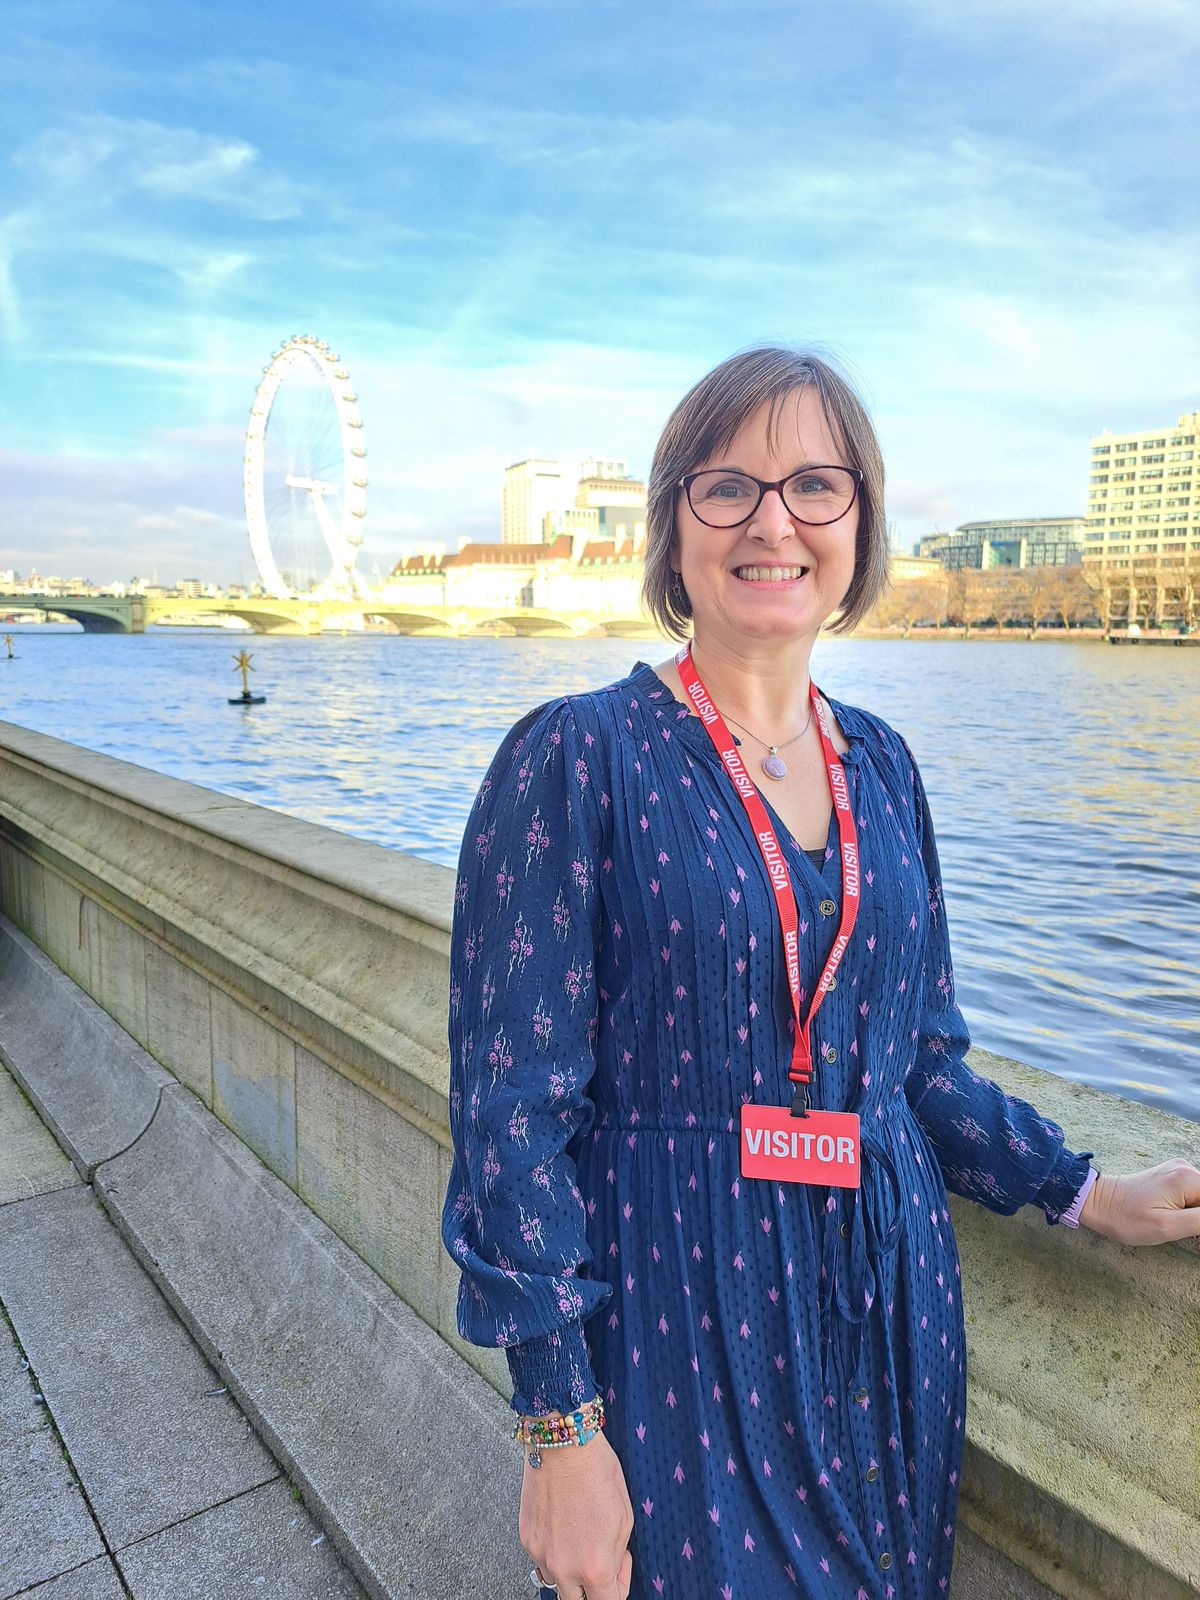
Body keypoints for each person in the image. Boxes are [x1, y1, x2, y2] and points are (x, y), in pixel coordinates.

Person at [440, 346, 1200, 1600]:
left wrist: (1083, 1191)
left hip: (884, 1306)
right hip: (678, 1309)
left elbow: (920, 1063)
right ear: (672, 525)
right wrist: (561, 1429)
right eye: (726, 486)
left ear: (860, 523)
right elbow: (510, 1115)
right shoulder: (578, 757)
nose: (773, 521)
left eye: (814, 485)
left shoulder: (885, 765)